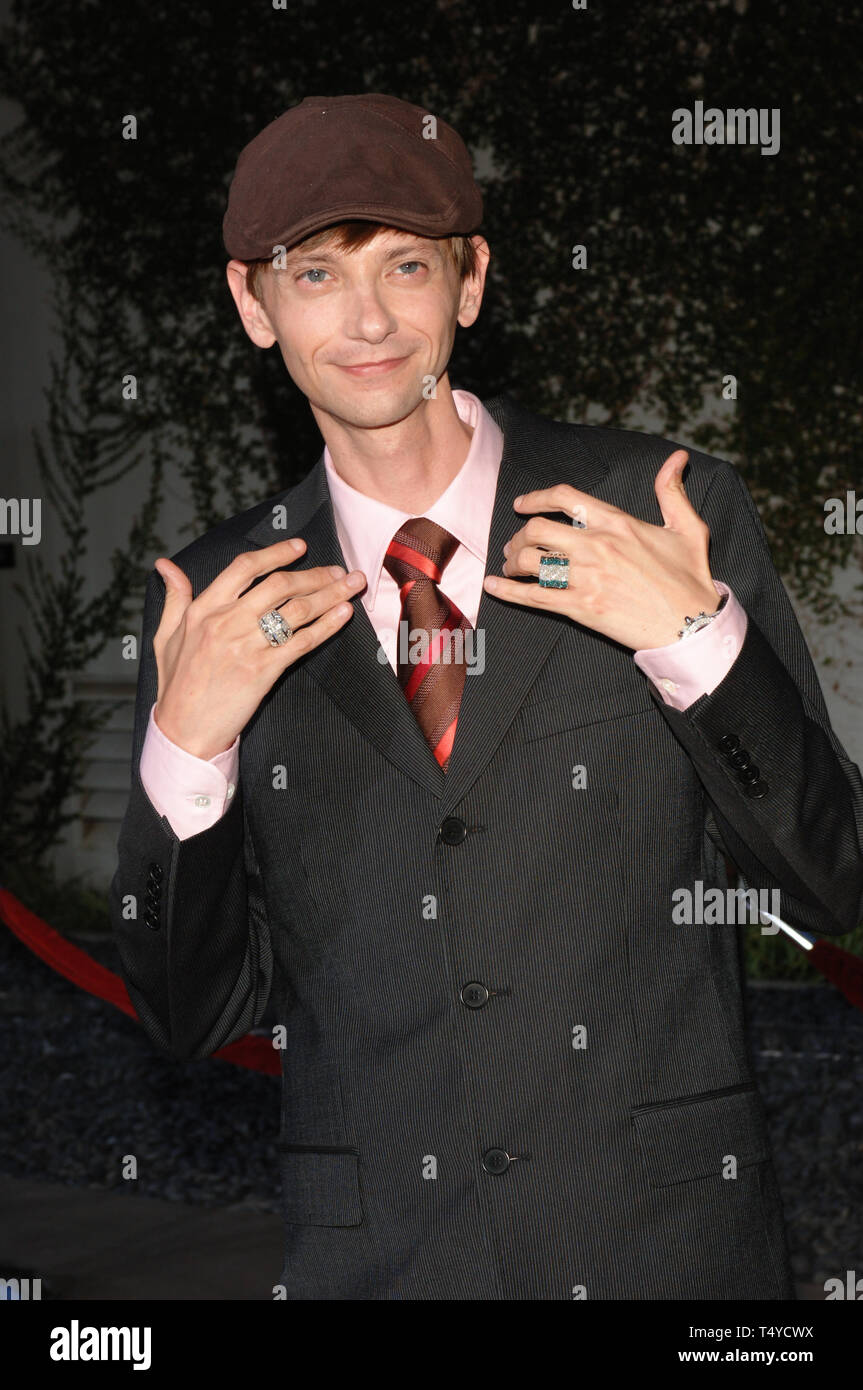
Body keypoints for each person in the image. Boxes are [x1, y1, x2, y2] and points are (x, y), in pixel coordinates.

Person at [109, 93, 863, 1301]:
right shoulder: (212, 600)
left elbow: (831, 881)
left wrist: (692, 640)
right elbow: (190, 1012)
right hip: (381, 1265)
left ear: (468, 283)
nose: (366, 318)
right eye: (314, 274)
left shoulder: (657, 508)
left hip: (665, 1261)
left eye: (405, 265)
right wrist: (184, 746)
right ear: (252, 304)